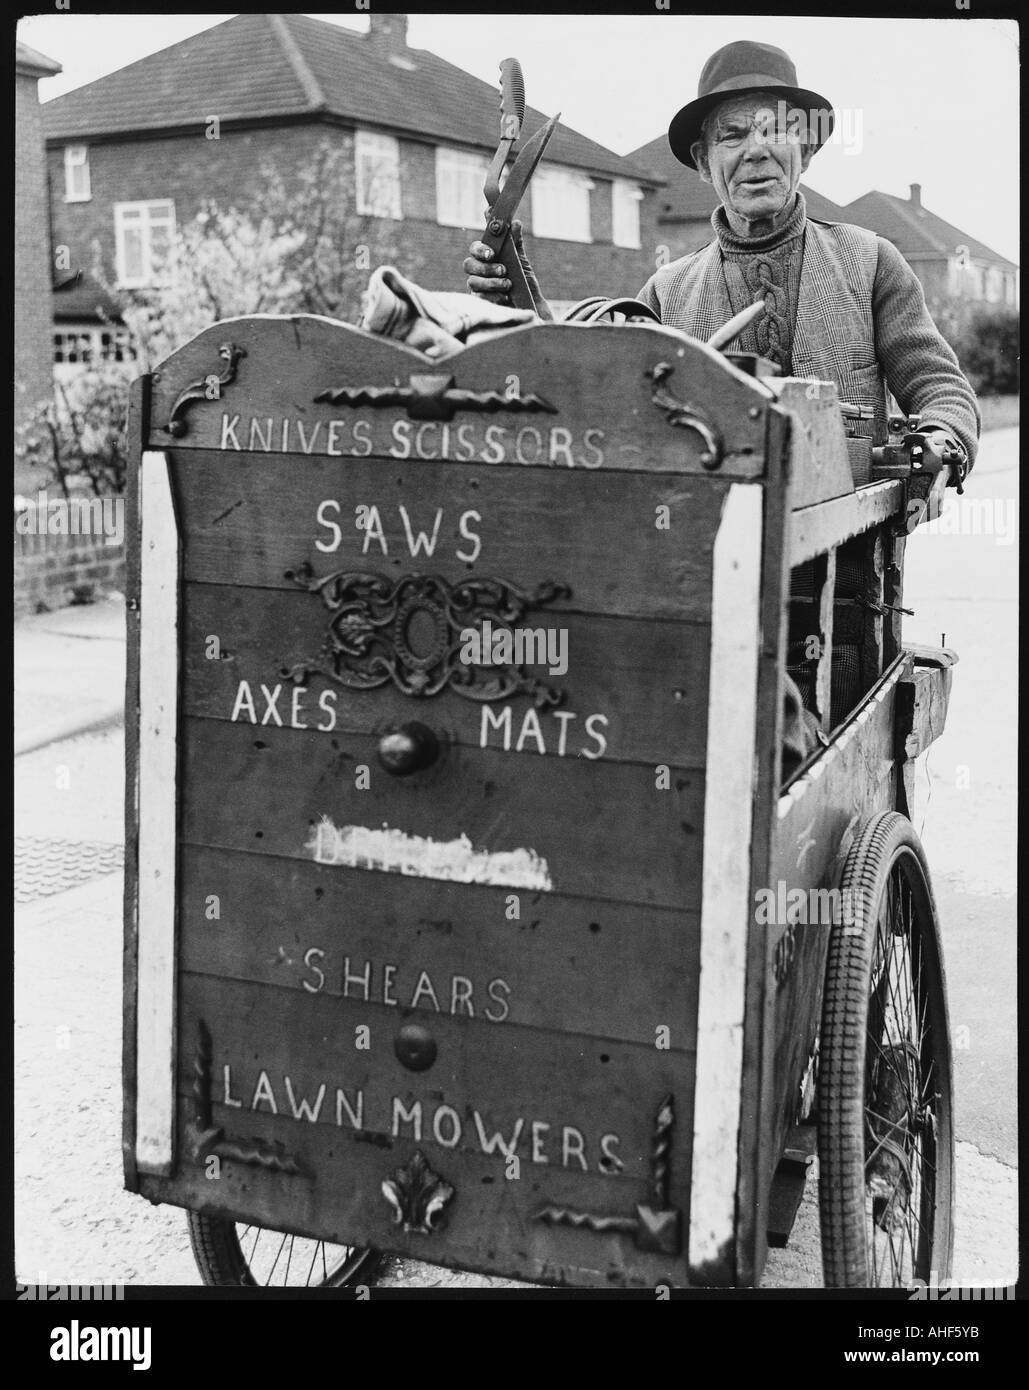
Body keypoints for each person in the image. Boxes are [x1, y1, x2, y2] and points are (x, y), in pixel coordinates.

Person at [464, 40, 980, 752]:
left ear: (805, 150)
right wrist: (510, 308)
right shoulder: (664, 294)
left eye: (774, 130)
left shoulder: (870, 262)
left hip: (847, 575)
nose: (756, 151)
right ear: (705, 163)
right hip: (712, 581)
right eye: (733, 136)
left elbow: (937, 382)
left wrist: (943, 441)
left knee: (842, 758)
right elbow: (594, 396)